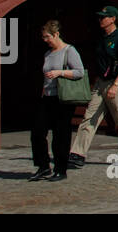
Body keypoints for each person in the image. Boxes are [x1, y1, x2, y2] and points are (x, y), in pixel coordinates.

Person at [69, 5, 118, 169]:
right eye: (100, 17)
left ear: (113, 19)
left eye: (104, 17)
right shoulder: (100, 38)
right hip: (101, 82)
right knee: (89, 116)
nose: (100, 20)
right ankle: (78, 153)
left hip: (117, 82)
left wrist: (116, 85)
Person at [31, 20, 84, 182]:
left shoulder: (69, 51)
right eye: (43, 37)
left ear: (56, 34)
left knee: (61, 135)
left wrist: (59, 72)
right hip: (47, 97)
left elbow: (79, 72)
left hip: (63, 99)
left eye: (47, 36)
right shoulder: (48, 54)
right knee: (37, 132)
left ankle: (61, 169)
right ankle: (43, 166)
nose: (45, 40)